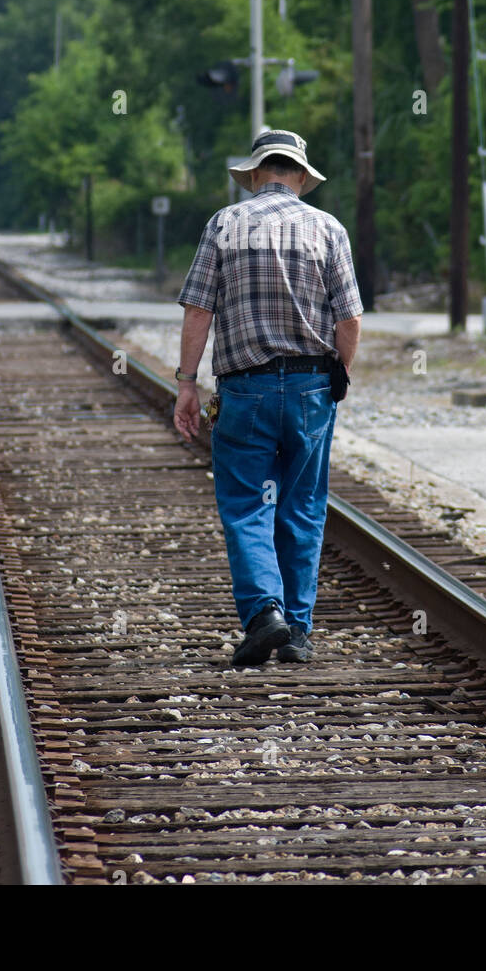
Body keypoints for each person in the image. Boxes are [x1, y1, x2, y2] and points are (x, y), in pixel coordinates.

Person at [173, 129, 363, 668]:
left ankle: (264, 615)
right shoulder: (328, 229)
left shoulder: (224, 225)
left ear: (255, 175)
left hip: (245, 389)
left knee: (248, 505)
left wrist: (187, 383)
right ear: (300, 177)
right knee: (303, 505)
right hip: (310, 387)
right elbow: (349, 318)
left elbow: (197, 311)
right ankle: (297, 634)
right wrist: (339, 373)